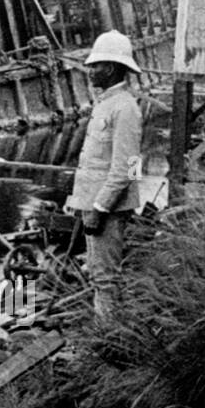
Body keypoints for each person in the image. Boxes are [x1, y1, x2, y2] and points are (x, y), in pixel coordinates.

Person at [66, 30, 144, 322]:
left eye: (96, 66)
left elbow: (126, 167)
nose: (90, 71)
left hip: (107, 208)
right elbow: (101, 162)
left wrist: (99, 208)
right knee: (101, 275)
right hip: (97, 204)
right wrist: (79, 201)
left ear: (110, 68)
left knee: (105, 278)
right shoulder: (108, 104)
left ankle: (108, 339)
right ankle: (110, 333)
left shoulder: (124, 108)